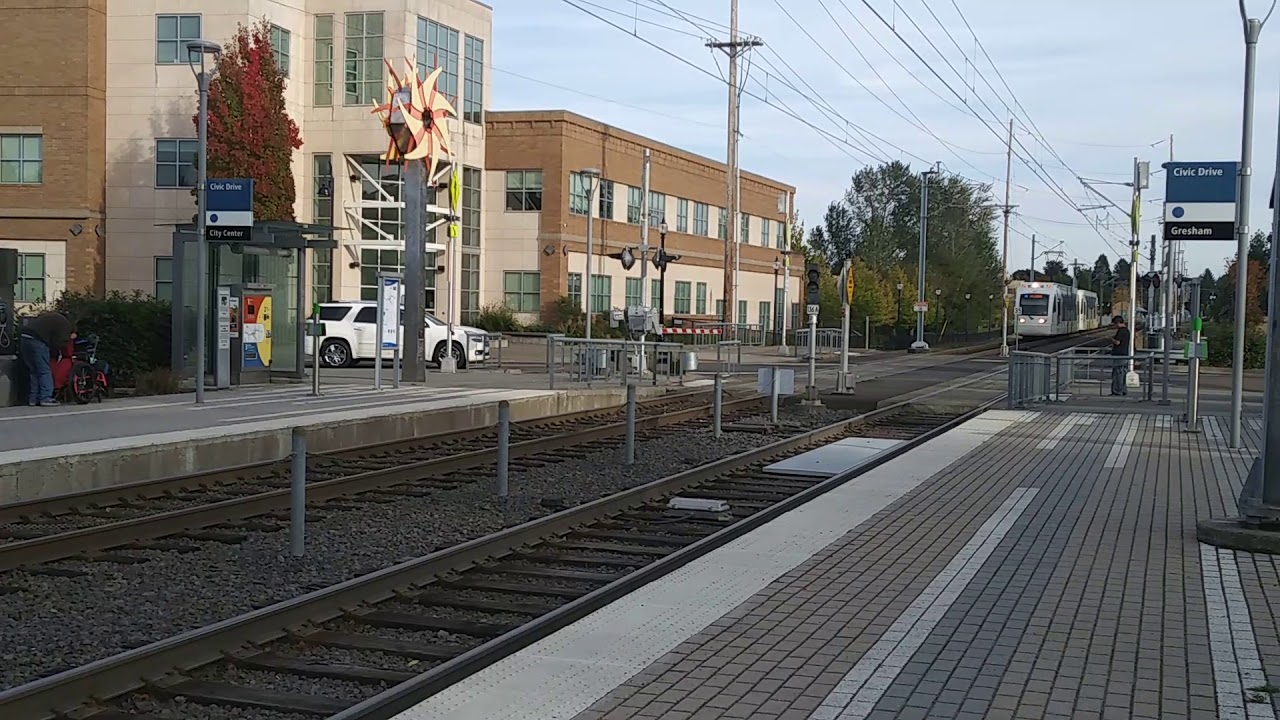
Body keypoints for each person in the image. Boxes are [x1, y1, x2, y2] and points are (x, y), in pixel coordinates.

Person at [19, 310, 73, 407]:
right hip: (38, 340)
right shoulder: (66, 324)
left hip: (24, 337)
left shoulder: (50, 316)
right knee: (44, 370)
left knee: (34, 370)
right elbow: (59, 342)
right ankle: (45, 398)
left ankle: (33, 399)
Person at [1110, 314, 1130, 397]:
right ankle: (1123, 390)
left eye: (1115, 324)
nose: (1114, 326)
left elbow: (1117, 342)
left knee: (1118, 374)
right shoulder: (1127, 331)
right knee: (1122, 373)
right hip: (1124, 354)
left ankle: (1117, 391)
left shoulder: (1121, 331)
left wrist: (1111, 339)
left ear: (1117, 323)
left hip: (1119, 354)